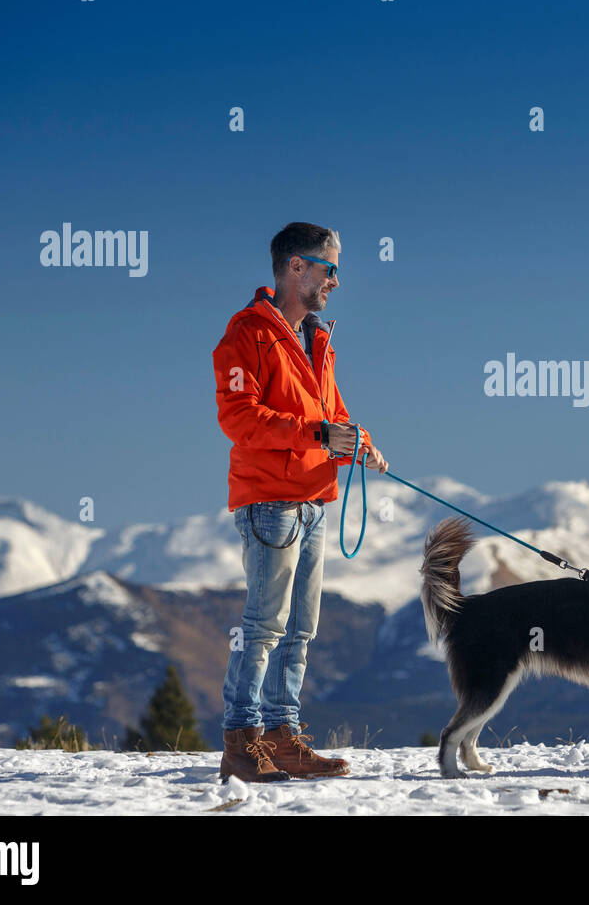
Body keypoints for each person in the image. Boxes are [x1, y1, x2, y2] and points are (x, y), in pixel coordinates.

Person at [211, 222, 388, 783]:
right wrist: (318, 435)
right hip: (270, 502)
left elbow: (332, 414)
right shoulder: (247, 333)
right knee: (264, 626)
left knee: (299, 630)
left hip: (313, 501)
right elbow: (239, 417)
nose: (336, 280)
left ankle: (283, 737)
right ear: (296, 266)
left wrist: (357, 441)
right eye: (329, 268)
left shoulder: (316, 338)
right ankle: (241, 741)